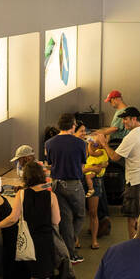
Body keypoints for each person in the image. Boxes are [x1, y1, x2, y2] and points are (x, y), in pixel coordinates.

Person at [14, 159, 59, 279]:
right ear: (42, 176)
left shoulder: (21, 194)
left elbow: (13, 217)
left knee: (33, 277)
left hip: (27, 242)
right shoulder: (51, 196)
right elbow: (56, 220)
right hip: (44, 242)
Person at [106, 106, 140, 239]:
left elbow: (114, 157)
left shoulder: (131, 136)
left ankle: (133, 247)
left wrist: (104, 144)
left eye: (125, 119)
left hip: (136, 180)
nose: (123, 122)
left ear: (134, 119)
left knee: (132, 216)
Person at [45, 113, 88, 264]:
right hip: (74, 184)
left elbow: (49, 164)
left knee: (65, 219)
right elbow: (82, 166)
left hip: (56, 184)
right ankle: (70, 247)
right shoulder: (81, 144)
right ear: (73, 125)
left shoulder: (49, 143)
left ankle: (69, 252)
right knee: (81, 215)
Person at [83, 128, 111, 248]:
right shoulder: (86, 145)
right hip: (82, 178)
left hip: (94, 179)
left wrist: (91, 144)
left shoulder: (100, 150)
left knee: (93, 211)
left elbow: (98, 165)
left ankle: (94, 239)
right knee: (84, 211)